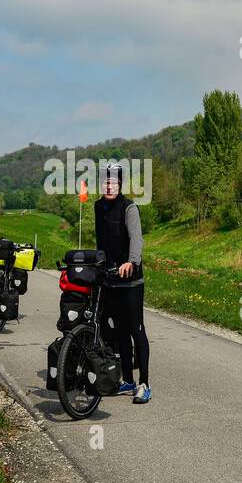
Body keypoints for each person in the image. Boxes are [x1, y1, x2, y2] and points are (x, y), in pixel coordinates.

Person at [94, 162, 151, 404]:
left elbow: (136, 239)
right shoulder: (98, 206)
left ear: (120, 184)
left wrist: (132, 262)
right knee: (118, 333)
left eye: (113, 182)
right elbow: (101, 241)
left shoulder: (129, 208)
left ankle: (144, 384)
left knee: (135, 330)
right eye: (106, 181)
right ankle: (127, 379)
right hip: (110, 280)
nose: (109, 185)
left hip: (130, 281)